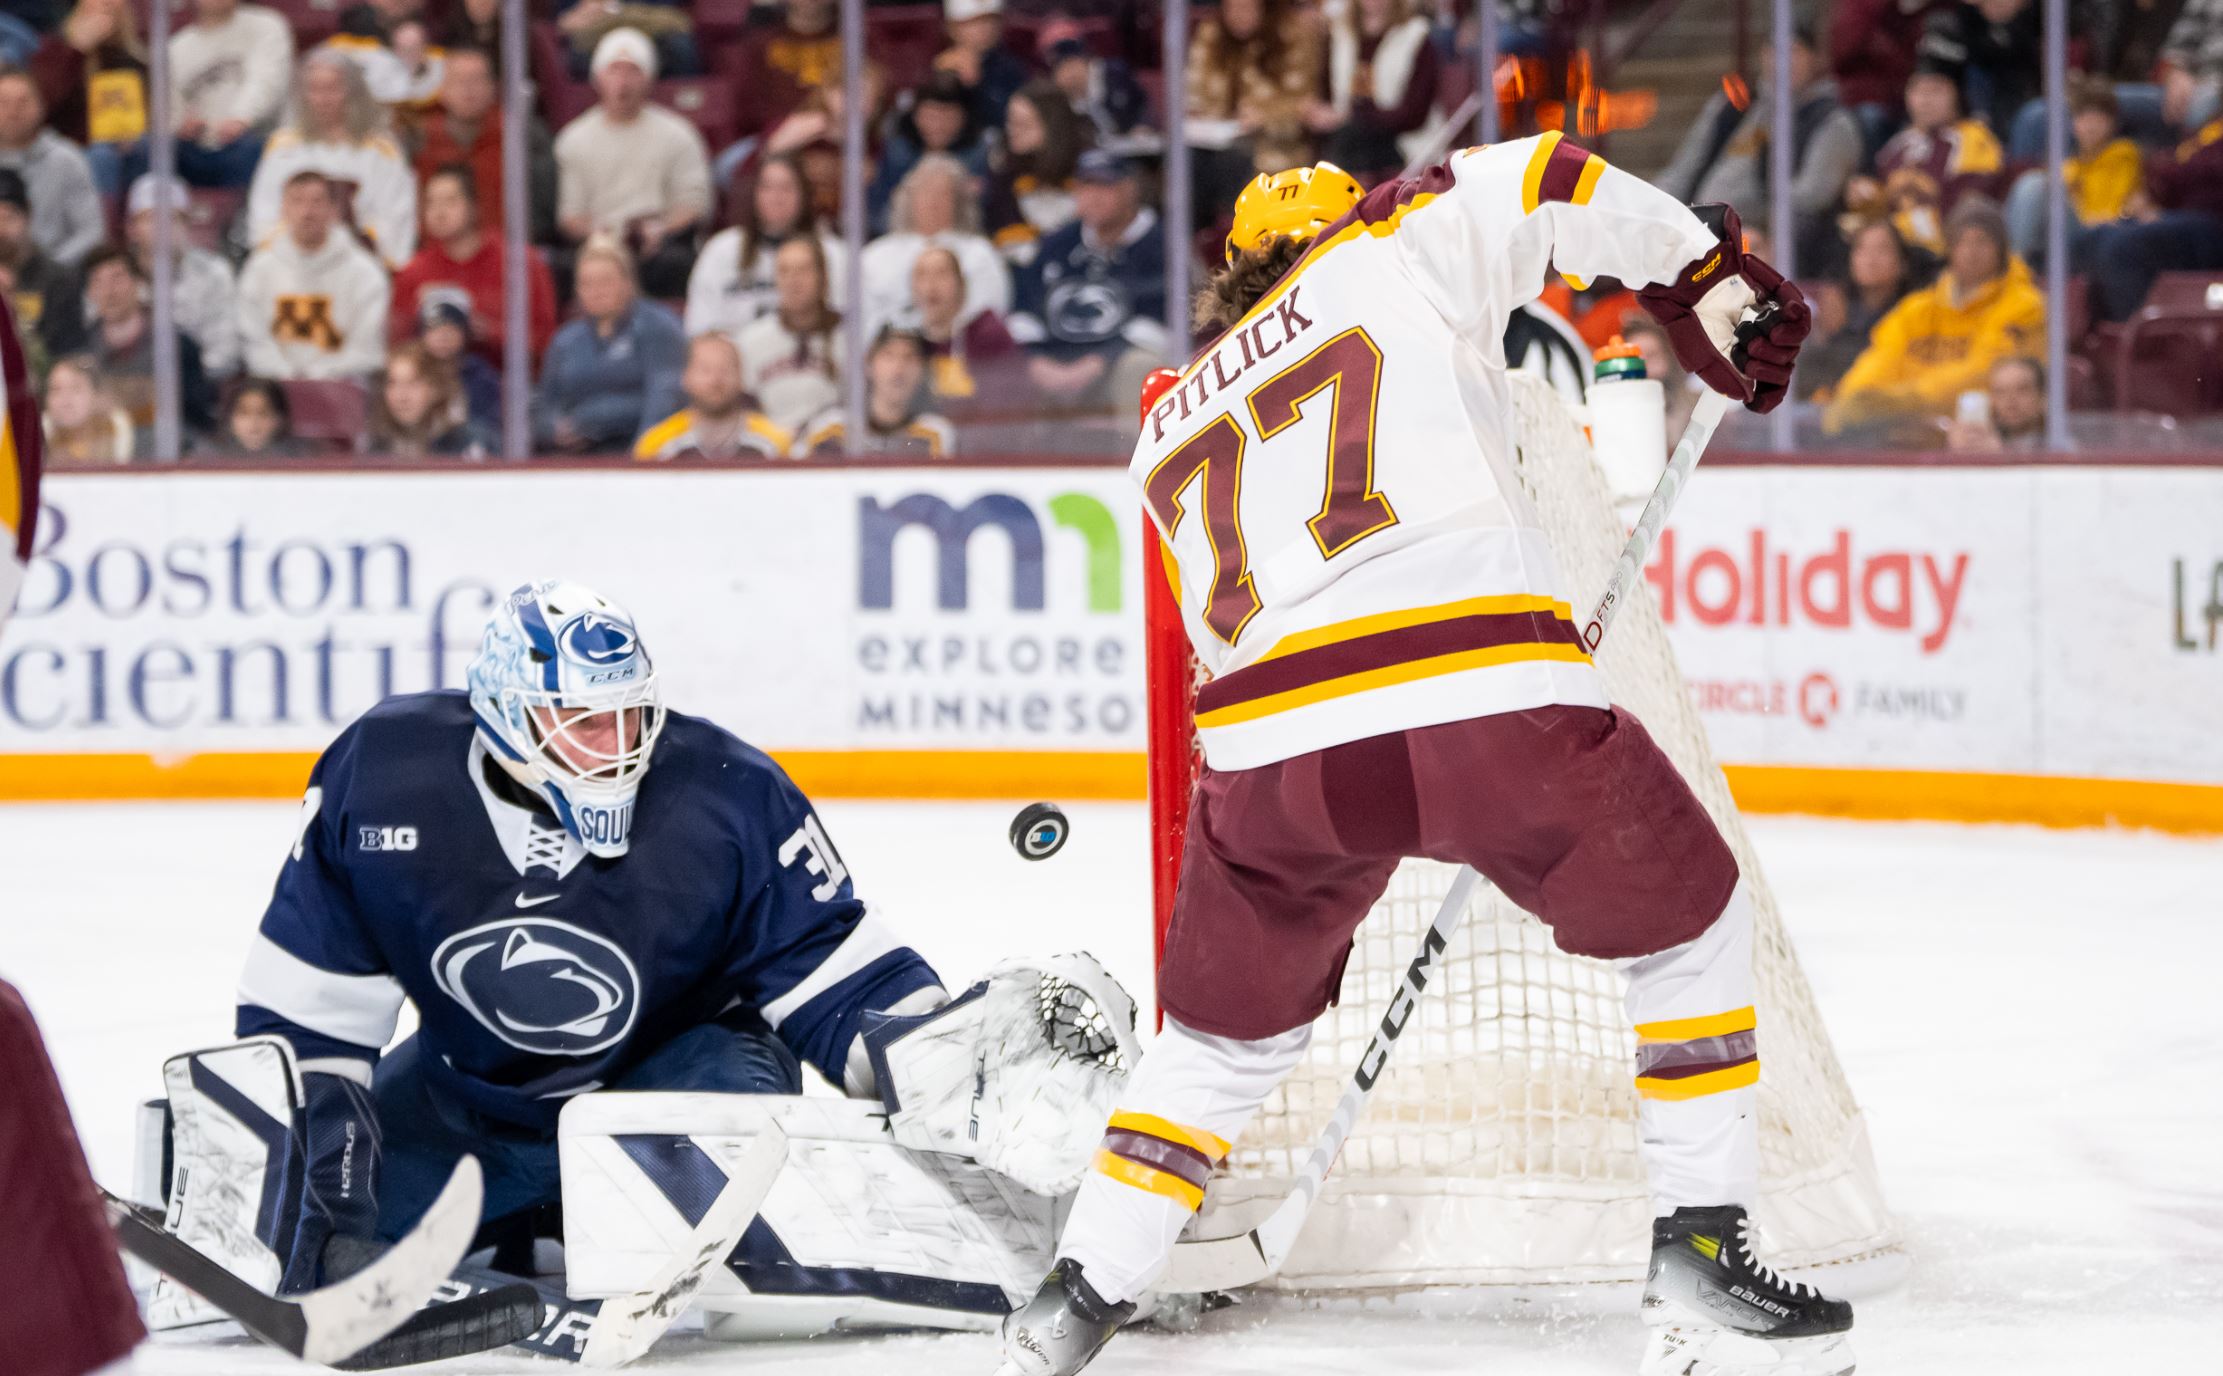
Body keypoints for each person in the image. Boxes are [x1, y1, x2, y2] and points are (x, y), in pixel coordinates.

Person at [994, 143, 1839, 1376]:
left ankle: (1076, 1296)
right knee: (1688, 923)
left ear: (1231, 279)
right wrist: (1698, 268)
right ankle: (1702, 1247)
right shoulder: (1389, 243)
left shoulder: (1166, 421)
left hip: (1273, 757)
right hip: (1477, 698)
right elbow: (1550, 174)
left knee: (1222, 1040)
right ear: (1337, 226)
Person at [231, 578, 949, 1293]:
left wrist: (943, 1071)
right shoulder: (383, 775)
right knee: (293, 1224)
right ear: (510, 717)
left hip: (671, 1075)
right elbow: (310, 1017)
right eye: (583, 721)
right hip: (467, 1095)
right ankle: (534, 1213)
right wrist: (328, 1193)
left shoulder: (727, 795)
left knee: (738, 1185)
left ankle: (564, 1210)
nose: (617, 748)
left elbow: (833, 976)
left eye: (630, 717)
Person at [1654, 23, 1863, 275]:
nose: (1784, 60)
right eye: (1775, 50)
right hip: (1697, 228)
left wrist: (1750, 227)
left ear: (1815, 59)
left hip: (1758, 240)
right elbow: (1682, 170)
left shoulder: (1830, 121)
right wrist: (1652, 208)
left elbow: (1810, 199)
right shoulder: (1733, 107)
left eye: (1795, 51)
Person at [1825, 195, 2041, 434]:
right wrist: (1852, 397)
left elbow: (1986, 372)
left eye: (1982, 242)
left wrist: (1905, 399)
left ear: (2001, 249)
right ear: (1949, 248)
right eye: (1961, 242)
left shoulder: (2024, 306)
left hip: (1986, 433)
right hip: (1903, 423)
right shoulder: (1918, 308)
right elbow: (1881, 358)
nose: (1971, 252)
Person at [554, 27, 714, 299]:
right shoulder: (573, 139)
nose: (623, 82)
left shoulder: (679, 134)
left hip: (659, 244)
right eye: (614, 71)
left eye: (633, 72)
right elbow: (570, 215)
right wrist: (601, 237)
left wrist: (661, 229)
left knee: (678, 263)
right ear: (597, 78)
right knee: (556, 267)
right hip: (598, 246)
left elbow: (695, 204)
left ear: (649, 78)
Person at [1007, 148, 1167, 417]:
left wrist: (1100, 361)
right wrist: (1036, 360)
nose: (1092, 197)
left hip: (1117, 363)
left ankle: (1142, 457)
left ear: (1129, 190)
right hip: (1055, 363)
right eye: (1084, 186)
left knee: (1141, 368)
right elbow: (1024, 309)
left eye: (1104, 186)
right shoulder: (1058, 244)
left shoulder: (1159, 245)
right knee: (1002, 369)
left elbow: (1160, 322)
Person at [246, 50, 419, 270]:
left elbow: (396, 220)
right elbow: (263, 218)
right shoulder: (283, 147)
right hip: (292, 269)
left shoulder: (382, 151)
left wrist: (342, 247)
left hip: (360, 269)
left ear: (353, 92)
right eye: (315, 90)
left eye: (332, 89)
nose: (323, 99)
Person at [389, 165, 557, 363]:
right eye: (431, 203)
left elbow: (546, 341)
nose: (439, 212)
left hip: (504, 384)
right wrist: (419, 321)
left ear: (475, 206)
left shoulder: (521, 263)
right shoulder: (413, 272)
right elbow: (396, 345)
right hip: (434, 386)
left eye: (450, 201)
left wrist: (488, 331)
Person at [236, 170, 392, 381]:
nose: (306, 212)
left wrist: (318, 377)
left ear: (333, 210)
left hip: (344, 391)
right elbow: (253, 341)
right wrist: (288, 377)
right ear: (283, 209)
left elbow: (367, 349)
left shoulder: (364, 272)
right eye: (297, 201)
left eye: (316, 202)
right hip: (274, 391)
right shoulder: (259, 269)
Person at [535, 235, 686, 452]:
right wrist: (554, 429)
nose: (597, 291)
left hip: (636, 450)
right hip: (575, 457)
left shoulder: (658, 327)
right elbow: (545, 404)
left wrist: (640, 458)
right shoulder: (565, 340)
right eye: (587, 283)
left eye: (606, 281)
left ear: (628, 282)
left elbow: (664, 401)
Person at [2077, 112, 2223, 321]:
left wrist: (2164, 179)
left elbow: (2191, 170)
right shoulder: (2210, 126)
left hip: (2213, 222)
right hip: (2177, 214)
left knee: (2123, 247)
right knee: (2088, 239)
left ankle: (2137, 343)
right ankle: (2087, 342)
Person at [685, 153, 844, 341]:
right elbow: (701, 329)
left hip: (811, 360)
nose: (776, 197)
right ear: (753, 193)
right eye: (767, 188)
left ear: (804, 194)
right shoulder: (721, 250)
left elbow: (844, 325)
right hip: (738, 360)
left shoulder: (833, 253)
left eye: (786, 188)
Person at [1184, 0, 1323, 212]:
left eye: (1247, 8)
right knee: (1189, 164)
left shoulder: (1293, 34)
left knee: (1232, 162)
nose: (1238, 16)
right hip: (1215, 140)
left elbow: (1306, 107)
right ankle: (1197, 239)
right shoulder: (1211, 34)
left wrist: (1264, 118)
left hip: (1274, 145)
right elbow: (1194, 94)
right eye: (1232, 8)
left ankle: (1236, 232)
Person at [408, 45, 557, 242]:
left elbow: (543, 209)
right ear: (442, 89)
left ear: (493, 87)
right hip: (438, 258)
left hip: (507, 258)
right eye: (458, 81)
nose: (468, 90)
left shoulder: (520, 135)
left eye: (476, 80)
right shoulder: (419, 139)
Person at [859, 153, 1012, 329]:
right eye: (924, 192)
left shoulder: (980, 253)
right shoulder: (874, 256)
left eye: (943, 194)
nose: (933, 202)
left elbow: (989, 314)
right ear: (907, 199)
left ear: (959, 201)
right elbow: (864, 319)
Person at [1856, 57, 2004, 239]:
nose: (1926, 101)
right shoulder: (1897, 145)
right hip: (1896, 244)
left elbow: (1976, 196)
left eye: (1936, 91)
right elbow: (1880, 196)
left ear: (1956, 95)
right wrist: (1868, 195)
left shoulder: (1974, 136)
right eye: (1918, 91)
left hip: (1946, 241)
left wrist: (1928, 189)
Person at [2004, 79, 2143, 265]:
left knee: (2034, 184)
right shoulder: (2068, 166)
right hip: (2067, 234)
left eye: (2099, 118)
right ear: (2073, 124)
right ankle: (2012, 262)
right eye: (2083, 118)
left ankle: (2012, 271)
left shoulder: (2123, 154)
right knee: (2030, 186)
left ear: (2113, 123)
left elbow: (2112, 213)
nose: (2091, 126)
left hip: (2097, 234)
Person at [81, 243, 215, 432]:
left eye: (117, 278)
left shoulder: (177, 347)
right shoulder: (79, 350)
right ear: (89, 292)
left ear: (139, 283)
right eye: (98, 282)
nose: (109, 291)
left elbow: (196, 420)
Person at [1799, 218, 1935, 398]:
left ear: (1903, 263)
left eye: (1882, 249)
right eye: (1861, 249)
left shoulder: (1913, 314)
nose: (1870, 258)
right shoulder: (1837, 311)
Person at [168, 0, 296, 188]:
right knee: (157, 152)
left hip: (257, 141)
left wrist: (240, 119)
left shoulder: (267, 26)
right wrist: (181, 123)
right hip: (196, 148)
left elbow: (266, 82)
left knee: (250, 149)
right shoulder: (176, 47)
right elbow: (171, 106)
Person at [1309, 0, 1439, 185]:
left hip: (1400, 142)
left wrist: (1354, 116)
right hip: (1348, 138)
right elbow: (1327, 92)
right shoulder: (1340, 34)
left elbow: (1415, 114)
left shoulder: (1417, 36)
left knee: (1353, 137)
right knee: (1344, 139)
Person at [31, 0, 151, 195]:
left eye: (111, 7)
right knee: (101, 155)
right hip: (74, 145)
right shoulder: (55, 51)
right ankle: (105, 219)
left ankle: (141, 220)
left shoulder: (136, 59)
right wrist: (77, 51)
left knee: (146, 146)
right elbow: (46, 105)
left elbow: (151, 112)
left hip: (128, 143)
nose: (103, 13)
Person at [126, 174, 239, 380]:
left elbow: (225, 353)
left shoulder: (214, 273)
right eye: (151, 218)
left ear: (187, 225)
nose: (162, 228)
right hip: (128, 389)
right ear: (132, 229)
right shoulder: (116, 276)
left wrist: (185, 380)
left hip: (197, 389)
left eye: (172, 217)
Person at [792, 324, 956, 457]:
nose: (898, 369)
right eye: (888, 356)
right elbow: (794, 480)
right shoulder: (829, 427)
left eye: (909, 358)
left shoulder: (936, 432)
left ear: (922, 371)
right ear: (869, 365)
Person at [734, 234, 841, 436]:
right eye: (784, 271)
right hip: (770, 454)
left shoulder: (848, 338)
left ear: (823, 276)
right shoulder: (750, 340)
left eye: (803, 270)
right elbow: (744, 412)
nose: (793, 281)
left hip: (831, 452)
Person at [866, 70, 992, 236]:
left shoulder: (979, 154)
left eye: (947, 117)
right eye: (931, 116)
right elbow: (876, 210)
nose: (938, 127)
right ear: (915, 115)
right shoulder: (897, 152)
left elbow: (988, 214)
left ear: (964, 117)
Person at [0, 68, 103, 270]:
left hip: (56, 278)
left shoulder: (67, 160)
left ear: (41, 105)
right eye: (4, 102)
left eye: (23, 102)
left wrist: (47, 271)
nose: (14, 111)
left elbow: (92, 232)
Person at [633, 332, 792, 460]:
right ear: (685, 377)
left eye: (725, 369)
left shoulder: (776, 443)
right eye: (705, 370)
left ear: (742, 378)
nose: (715, 380)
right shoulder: (655, 445)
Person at [906, 243, 1020, 412]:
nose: (931, 285)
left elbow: (1007, 404)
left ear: (961, 284)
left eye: (941, 274)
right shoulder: (905, 342)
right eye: (922, 275)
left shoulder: (988, 333)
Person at [983, 80, 1086, 263]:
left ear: (1053, 126)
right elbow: (1004, 231)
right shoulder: (1003, 173)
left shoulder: (1086, 169)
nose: (1012, 131)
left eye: (1023, 124)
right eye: (1010, 122)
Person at [0, 168, 86, 371]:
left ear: (28, 213)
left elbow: (66, 359)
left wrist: (12, 311)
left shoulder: (59, 280)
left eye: (8, 217)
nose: (0, 229)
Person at [735, 0, 840, 140]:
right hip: (774, 140)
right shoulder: (761, 45)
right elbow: (747, 110)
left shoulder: (858, 43)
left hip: (841, 140)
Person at [365, 339, 487, 456]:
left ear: (436, 389)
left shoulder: (469, 445)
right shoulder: (373, 448)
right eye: (392, 383)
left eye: (412, 384)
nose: (401, 396)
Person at [1041, 22, 1147, 147]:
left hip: (1131, 146)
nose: (1070, 74)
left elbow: (1143, 104)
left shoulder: (1115, 74)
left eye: (1073, 64)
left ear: (1085, 61)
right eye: (1062, 69)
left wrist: (1143, 125)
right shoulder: (1057, 97)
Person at [935, 0, 1029, 130]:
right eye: (974, 22)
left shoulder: (1010, 67)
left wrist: (977, 84)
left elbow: (1010, 120)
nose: (986, 28)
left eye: (992, 21)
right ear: (952, 28)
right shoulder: (938, 63)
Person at [416, 295, 499, 431]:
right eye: (435, 328)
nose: (443, 337)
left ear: (465, 335)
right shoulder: (409, 372)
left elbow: (489, 428)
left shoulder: (481, 377)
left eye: (452, 329)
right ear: (422, 334)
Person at [42, 353, 137, 463]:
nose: (65, 401)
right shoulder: (36, 438)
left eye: (76, 389)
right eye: (56, 390)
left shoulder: (115, 432)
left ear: (96, 397)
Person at [1945, 354, 2045, 451]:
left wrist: (2000, 453)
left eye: (2022, 390)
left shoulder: (2056, 440)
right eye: (2000, 392)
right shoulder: (1986, 438)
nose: (2010, 401)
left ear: (2041, 395)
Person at [201, 374, 303, 456]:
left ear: (280, 419)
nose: (254, 423)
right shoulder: (207, 458)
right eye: (244, 413)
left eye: (263, 413)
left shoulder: (301, 458)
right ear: (230, 418)